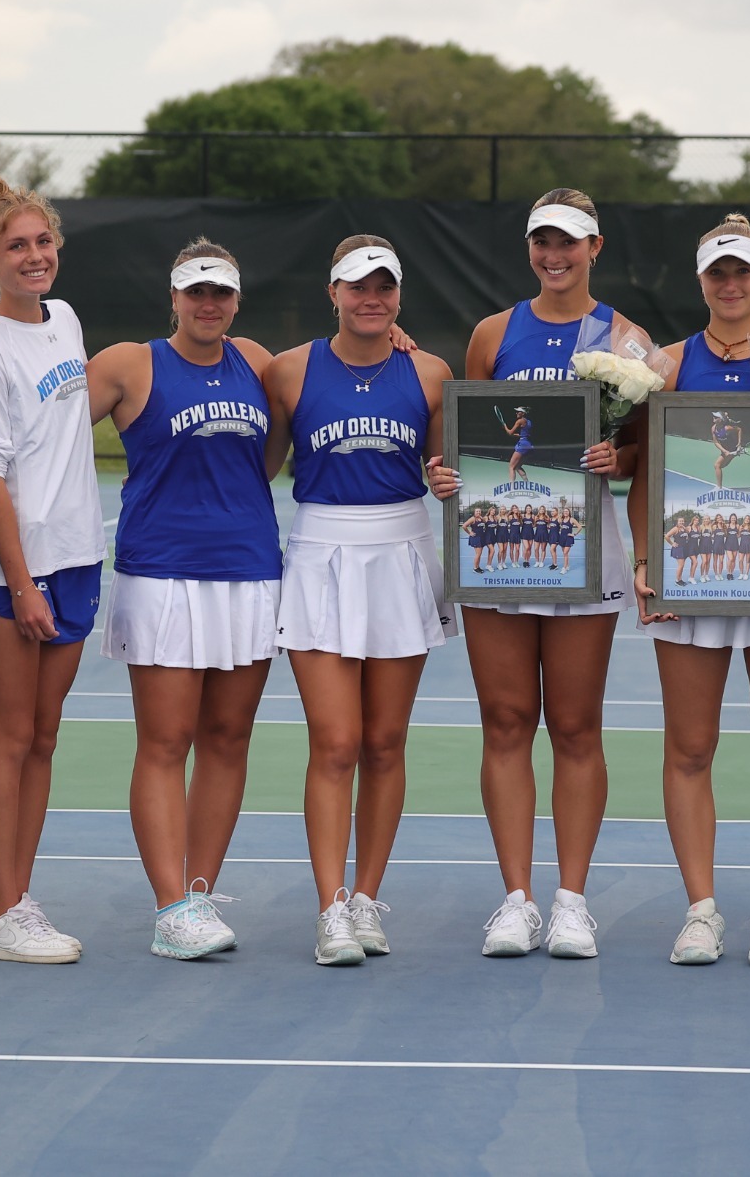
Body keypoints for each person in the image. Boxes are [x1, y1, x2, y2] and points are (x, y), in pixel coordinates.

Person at [627, 213, 750, 966]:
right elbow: (643, 469)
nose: (732, 283)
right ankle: (702, 909)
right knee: (690, 746)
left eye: (744, 270)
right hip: (692, 566)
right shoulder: (666, 364)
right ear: (701, 279)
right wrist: (646, 557)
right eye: (719, 271)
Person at [264, 235, 461, 965]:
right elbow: (260, 463)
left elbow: (447, 472)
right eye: (357, 286)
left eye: (383, 286)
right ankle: (330, 908)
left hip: (402, 554)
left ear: (399, 295)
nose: (370, 297)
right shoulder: (287, 370)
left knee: (384, 743)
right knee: (337, 740)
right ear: (333, 291)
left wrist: (450, 485)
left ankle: (368, 899)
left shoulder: (432, 372)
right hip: (319, 555)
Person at [85, 239, 279, 960]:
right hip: (161, 573)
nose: (208, 304)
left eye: (220, 292)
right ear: (173, 295)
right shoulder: (130, 364)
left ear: (235, 298)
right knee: (166, 743)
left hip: (251, 570)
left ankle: (198, 894)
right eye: (195, 291)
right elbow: (44, 414)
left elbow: (336, 365)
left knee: (228, 741)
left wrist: (395, 333)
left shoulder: (259, 362)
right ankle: (170, 907)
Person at [463, 189, 636, 958]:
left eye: (568, 240)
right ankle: (515, 898)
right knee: (505, 722)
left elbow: (643, 448)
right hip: (502, 542)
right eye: (542, 240)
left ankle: (570, 899)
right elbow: (468, 436)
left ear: (595, 246)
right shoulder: (493, 333)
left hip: (583, 547)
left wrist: (616, 458)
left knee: (573, 725)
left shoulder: (628, 339)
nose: (554, 254)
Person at [0, 178, 106, 964]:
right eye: (17, 246)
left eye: (43, 243)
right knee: (9, 736)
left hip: (79, 557)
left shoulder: (68, 322)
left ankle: (21, 897)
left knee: (43, 738)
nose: (35, 256)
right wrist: (19, 583)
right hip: (14, 572)